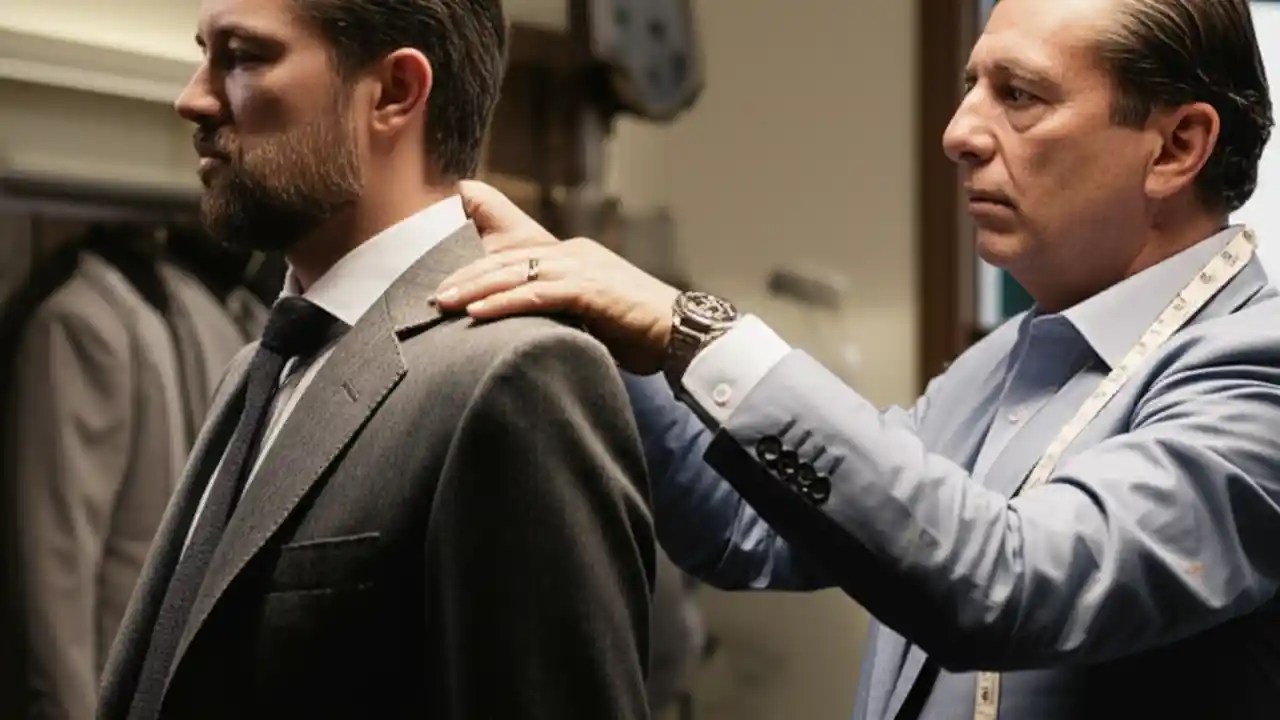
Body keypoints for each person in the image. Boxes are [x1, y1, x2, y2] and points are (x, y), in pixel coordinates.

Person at [432, 0, 1280, 717]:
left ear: (1176, 147)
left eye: (1019, 96)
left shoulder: (1257, 368)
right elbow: (751, 530)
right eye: (970, 87)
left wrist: (692, 330)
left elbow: (1020, 582)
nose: (958, 134)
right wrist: (580, 306)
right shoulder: (1007, 361)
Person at [97, 0, 655, 718]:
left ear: (393, 94)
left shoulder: (515, 376)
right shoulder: (265, 362)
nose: (193, 97)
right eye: (204, 53)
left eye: (242, 57)